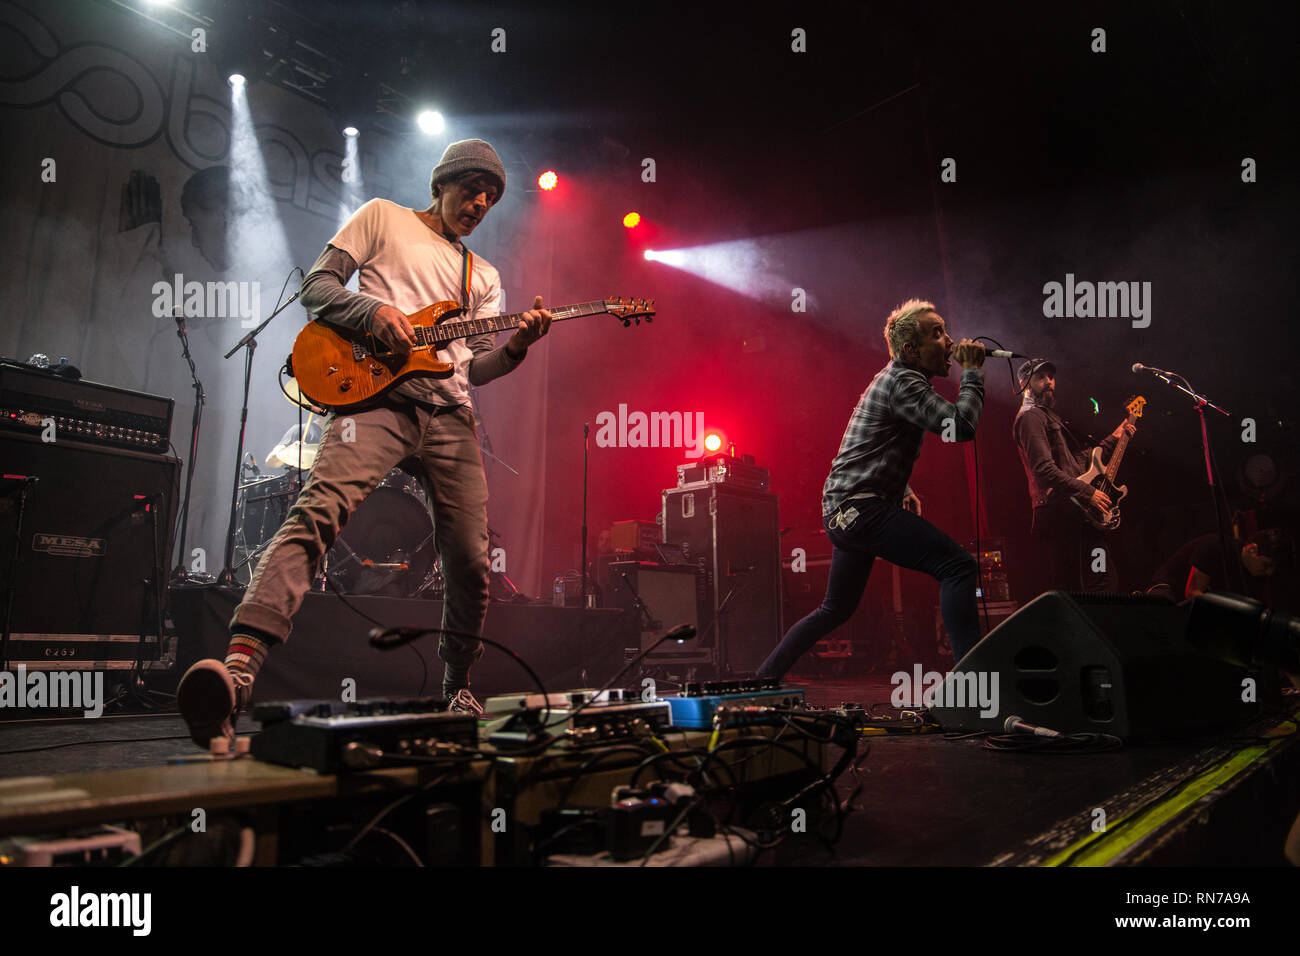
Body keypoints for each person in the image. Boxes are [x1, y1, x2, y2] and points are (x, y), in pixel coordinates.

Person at [177, 139, 551, 745]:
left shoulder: (483, 274)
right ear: (442, 184)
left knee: (471, 560)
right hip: (374, 398)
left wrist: (517, 347)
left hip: (450, 415)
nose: (480, 202)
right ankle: (239, 672)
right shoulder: (382, 217)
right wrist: (372, 313)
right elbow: (317, 289)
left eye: (491, 196)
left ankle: (457, 685)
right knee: (318, 511)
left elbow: (477, 367)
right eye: (470, 188)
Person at [756, 299, 986, 679]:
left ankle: (761, 680)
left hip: (845, 512)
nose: (949, 341)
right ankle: (973, 693)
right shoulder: (903, 381)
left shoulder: (896, 379)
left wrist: (903, 487)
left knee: (835, 609)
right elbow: (961, 426)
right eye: (937, 333)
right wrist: (973, 373)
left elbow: (869, 446)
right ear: (911, 350)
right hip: (862, 510)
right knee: (958, 567)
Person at [1012, 359, 1135, 597]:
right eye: (1040, 377)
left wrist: (1114, 437)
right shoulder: (1030, 418)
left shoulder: (1047, 415)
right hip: (1060, 513)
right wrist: (1089, 492)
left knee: (1101, 582)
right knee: (1086, 587)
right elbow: (1043, 469)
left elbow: (1076, 463)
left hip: (1074, 511)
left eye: (1051, 377)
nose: (1049, 382)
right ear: (1024, 384)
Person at [1149, 528, 1285, 602]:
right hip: (1168, 593)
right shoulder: (1215, 546)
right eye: (1267, 565)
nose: (1269, 573)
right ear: (1252, 549)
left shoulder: (1254, 576)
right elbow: (1193, 593)